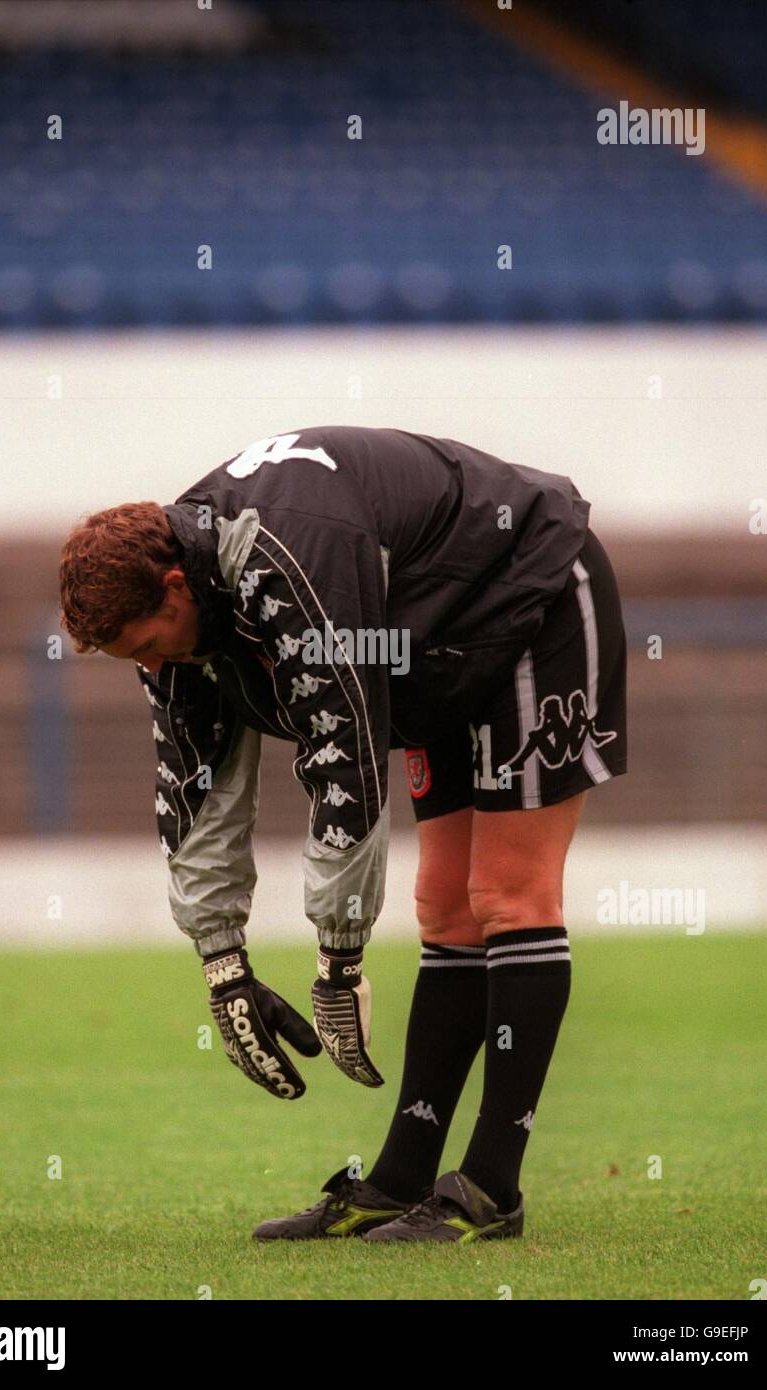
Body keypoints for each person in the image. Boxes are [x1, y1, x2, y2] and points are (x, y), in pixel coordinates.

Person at [58, 425, 627, 1243]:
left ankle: (492, 1188)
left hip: (535, 598)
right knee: (445, 906)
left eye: (148, 646)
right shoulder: (177, 610)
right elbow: (198, 790)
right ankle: (403, 1179)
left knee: (506, 892)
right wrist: (224, 968)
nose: (150, 667)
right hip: (438, 649)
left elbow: (344, 755)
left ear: (177, 588)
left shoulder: (285, 561)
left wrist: (338, 961)